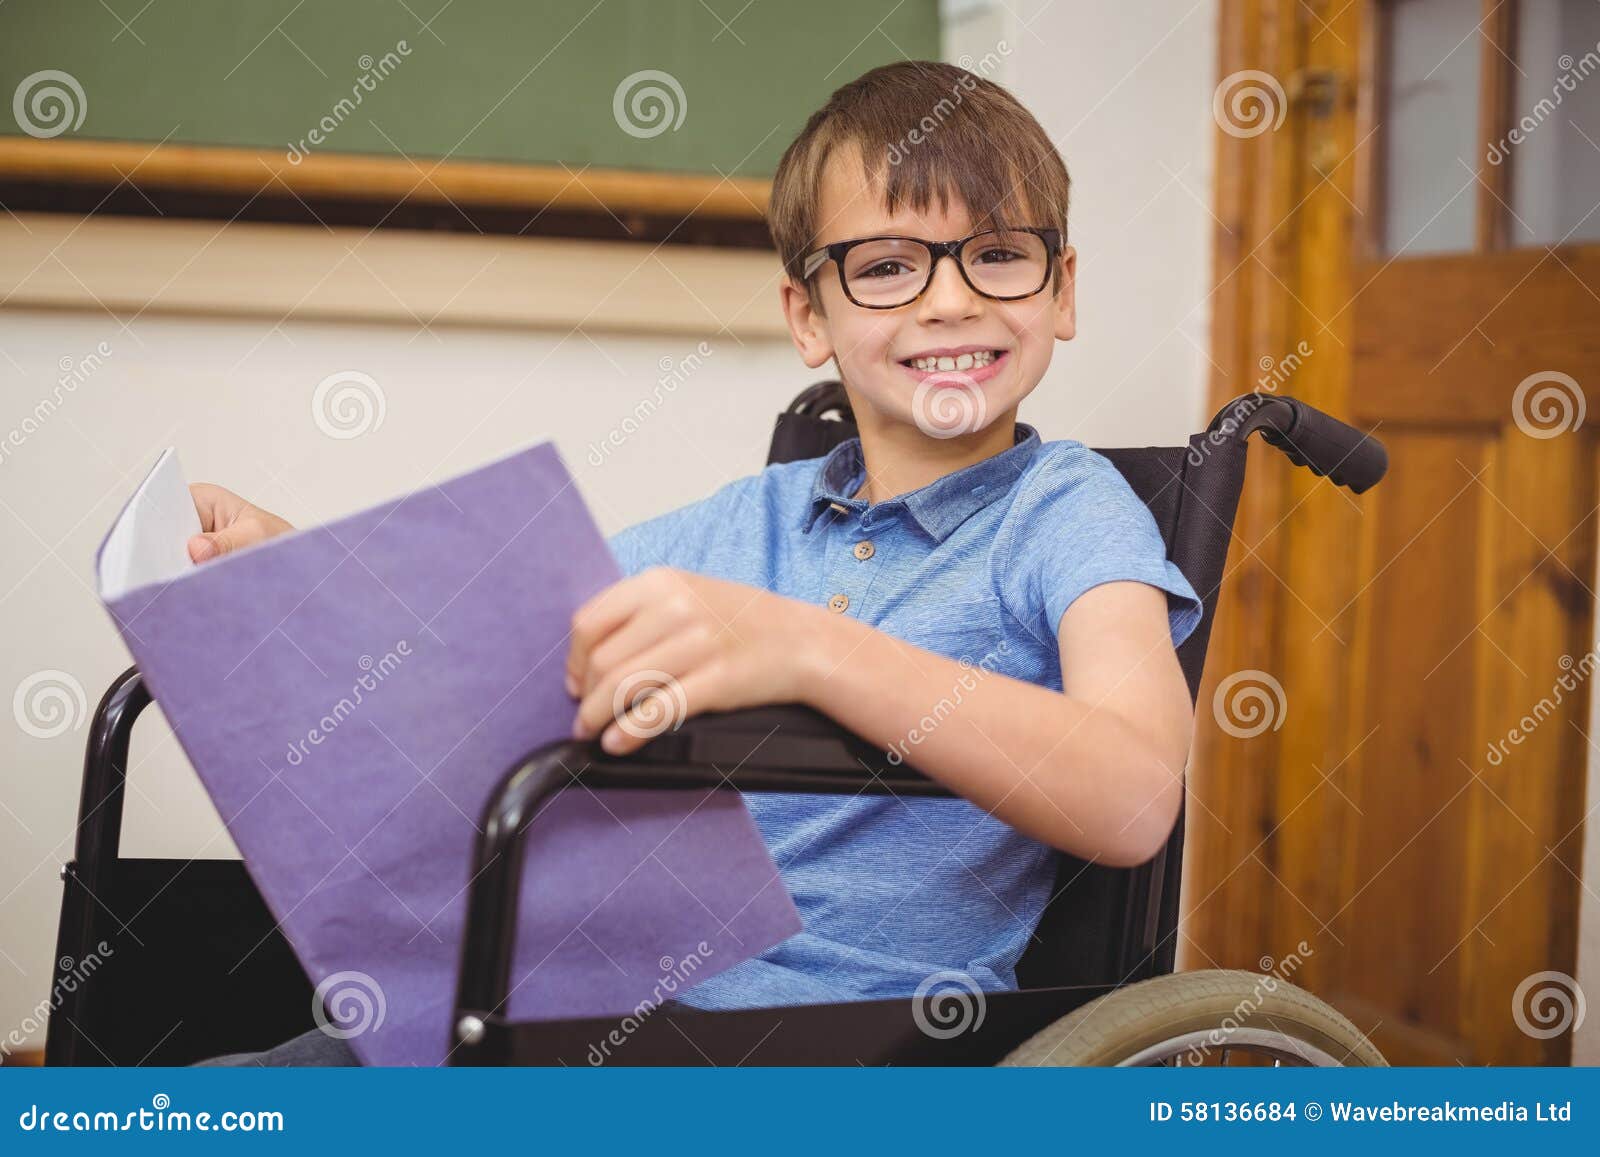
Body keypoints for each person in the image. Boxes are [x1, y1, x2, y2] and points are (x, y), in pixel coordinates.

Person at [196, 59, 1200, 1065]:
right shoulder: (743, 523)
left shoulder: (1064, 510)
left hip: (843, 1041)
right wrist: (302, 575)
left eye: (997, 254)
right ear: (809, 315)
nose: (948, 300)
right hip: (586, 1003)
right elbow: (497, 644)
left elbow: (1132, 793)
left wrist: (810, 650)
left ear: (1060, 291)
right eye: (887, 266)